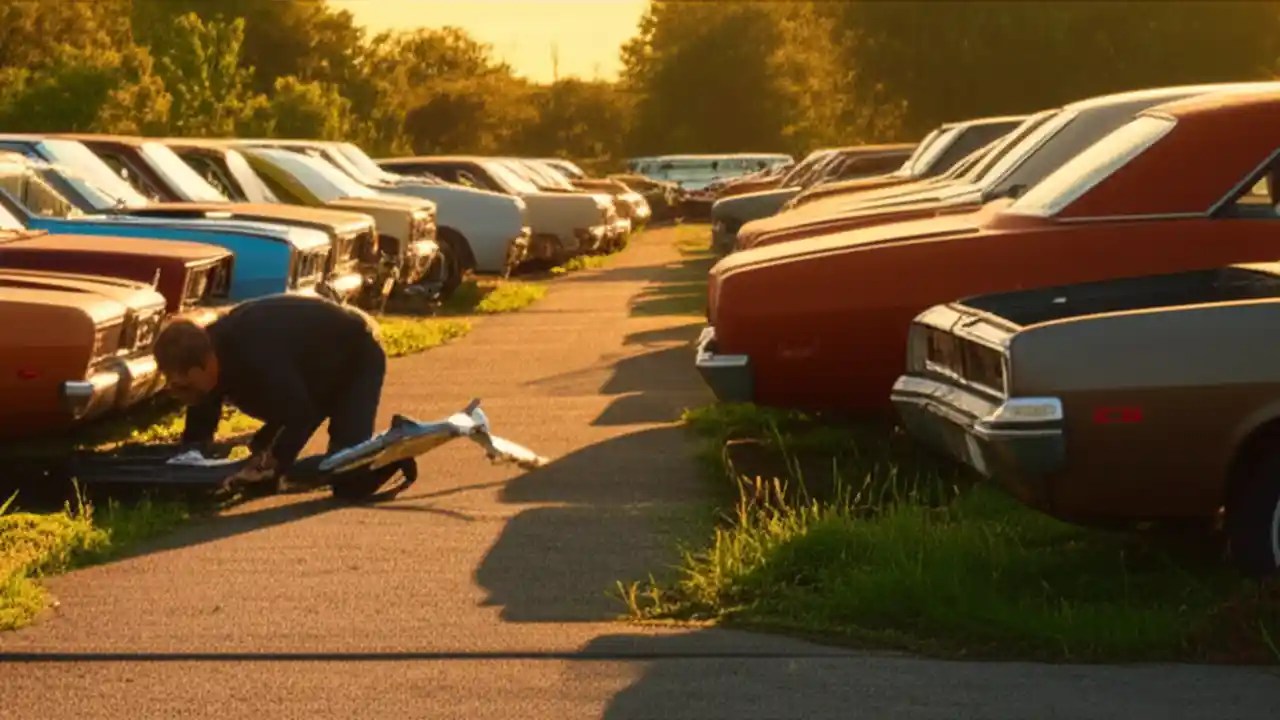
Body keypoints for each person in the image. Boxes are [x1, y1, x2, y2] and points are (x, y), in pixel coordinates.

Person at [153, 294, 389, 498]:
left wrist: (273, 461)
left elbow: (301, 414)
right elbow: (201, 416)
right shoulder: (206, 352)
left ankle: (390, 454)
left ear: (202, 367)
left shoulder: (254, 355)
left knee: (349, 478)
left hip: (356, 353)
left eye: (183, 387)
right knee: (259, 461)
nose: (180, 395)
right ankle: (298, 472)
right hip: (310, 373)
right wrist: (190, 458)